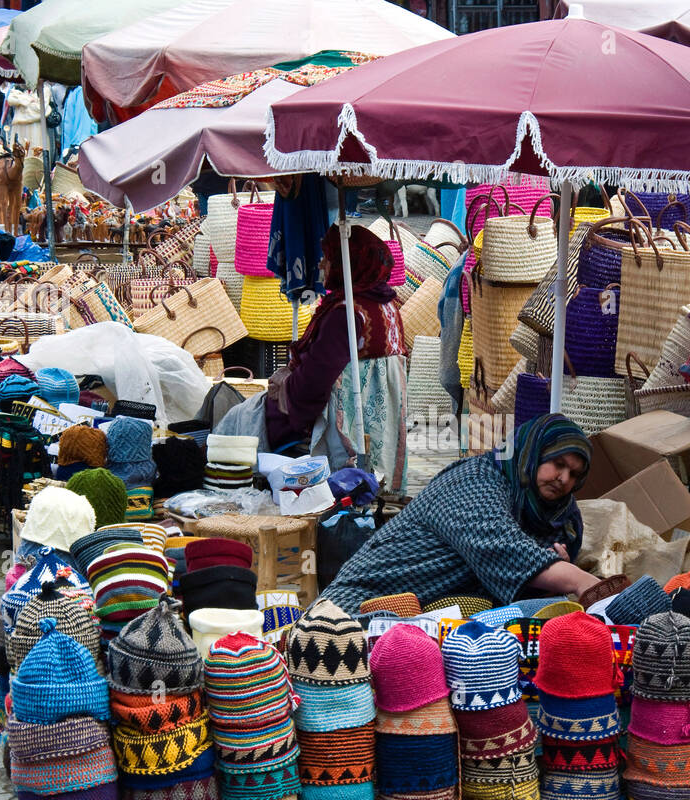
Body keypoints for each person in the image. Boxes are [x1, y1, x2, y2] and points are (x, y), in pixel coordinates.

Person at [320, 413, 602, 614]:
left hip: (432, 619)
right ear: (531, 453)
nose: (564, 478)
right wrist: (579, 580)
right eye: (557, 463)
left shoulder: (556, 517)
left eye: (575, 474)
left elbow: (514, 583)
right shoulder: (474, 481)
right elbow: (502, 547)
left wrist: (553, 578)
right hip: (354, 609)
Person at [217, 224, 408, 492]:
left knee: (237, 418)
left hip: (327, 416)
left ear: (347, 264)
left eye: (327, 259)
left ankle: (228, 484)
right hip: (374, 416)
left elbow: (312, 386)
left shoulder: (345, 314)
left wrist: (283, 385)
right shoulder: (387, 304)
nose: (321, 265)